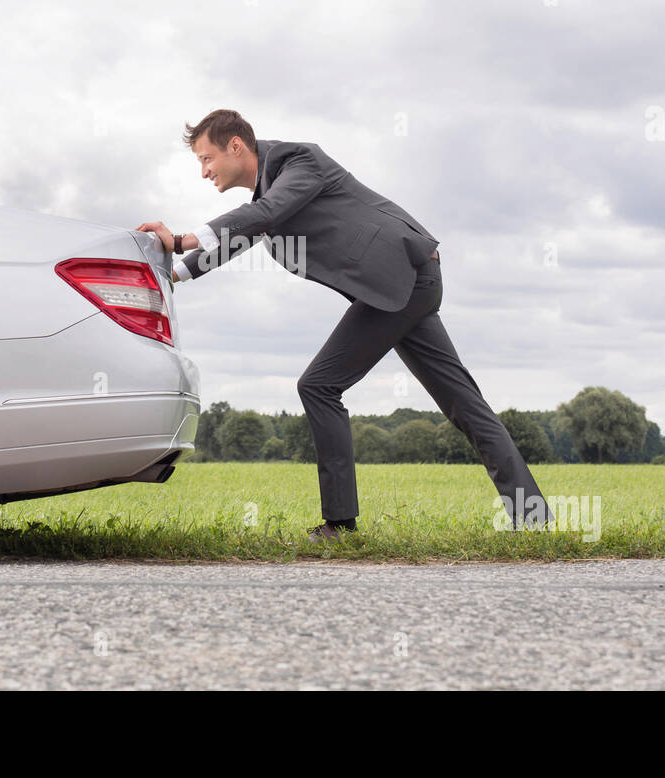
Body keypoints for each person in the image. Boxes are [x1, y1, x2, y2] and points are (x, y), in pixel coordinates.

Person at [136, 109, 554, 542]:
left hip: (404, 279)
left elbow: (265, 213)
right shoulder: (271, 191)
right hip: (406, 283)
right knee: (465, 404)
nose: (204, 172)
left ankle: (340, 525)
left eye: (206, 159)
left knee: (318, 385)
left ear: (236, 147)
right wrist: (172, 276)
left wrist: (182, 238)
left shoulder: (299, 162)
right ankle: (535, 519)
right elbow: (243, 233)